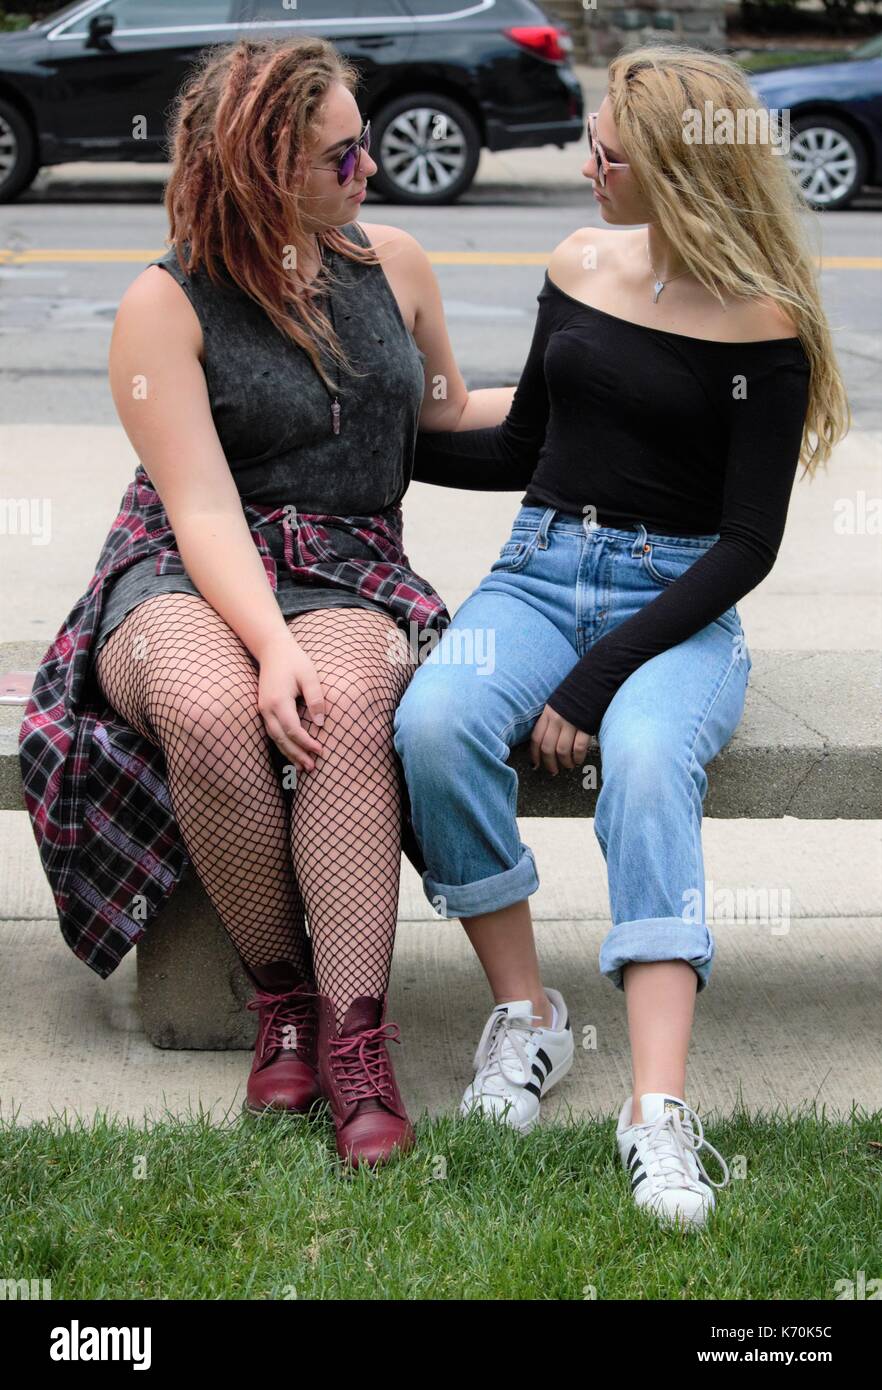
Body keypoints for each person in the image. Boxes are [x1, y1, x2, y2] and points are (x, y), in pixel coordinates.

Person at [17, 35, 513, 1171]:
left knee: (336, 707)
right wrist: (266, 645)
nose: (368, 171)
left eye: (365, 144)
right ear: (261, 165)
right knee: (211, 708)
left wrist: (599, 399)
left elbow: (445, 413)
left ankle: (355, 1043)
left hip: (347, 565)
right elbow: (198, 510)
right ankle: (281, 996)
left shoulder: (393, 263)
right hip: (183, 567)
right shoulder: (165, 303)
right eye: (340, 157)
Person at [393, 43, 851, 1227]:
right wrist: (356, 445)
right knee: (435, 722)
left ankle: (656, 1112)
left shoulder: (766, 325)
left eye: (612, 153)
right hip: (541, 574)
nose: (589, 164)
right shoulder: (580, 261)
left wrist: (597, 683)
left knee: (648, 761)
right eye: (594, 142)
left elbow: (749, 543)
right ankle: (529, 1018)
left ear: (686, 175)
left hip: (679, 601)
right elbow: (515, 448)